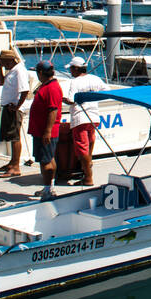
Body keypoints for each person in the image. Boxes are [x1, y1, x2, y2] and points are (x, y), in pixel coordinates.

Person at [61, 56, 105, 186]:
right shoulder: (96, 79)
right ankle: (86, 172)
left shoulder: (75, 82)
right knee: (89, 146)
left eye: (71, 69)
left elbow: (72, 99)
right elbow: (105, 92)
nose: (70, 71)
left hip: (80, 118)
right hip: (94, 117)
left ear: (76, 68)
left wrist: (64, 100)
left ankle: (88, 178)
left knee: (82, 149)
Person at [27, 61, 63, 200]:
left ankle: (48, 190)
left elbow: (53, 110)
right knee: (48, 158)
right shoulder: (48, 86)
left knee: (45, 161)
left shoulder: (51, 88)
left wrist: (47, 131)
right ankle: (49, 187)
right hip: (41, 130)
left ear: (40, 73)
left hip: (45, 131)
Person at [0, 49, 30, 177]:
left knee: (15, 137)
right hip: (8, 106)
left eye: (3, 61)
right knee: (10, 136)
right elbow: (1, 82)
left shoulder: (19, 71)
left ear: (9, 60)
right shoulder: (12, 71)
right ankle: (12, 162)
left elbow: (25, 90)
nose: (2, 63)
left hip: (13, 109)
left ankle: (15, 166)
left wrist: (17, 106)